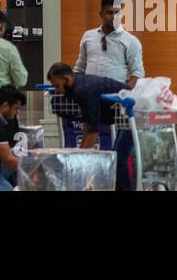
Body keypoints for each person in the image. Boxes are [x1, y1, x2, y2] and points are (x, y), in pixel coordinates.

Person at [46, 61, 132, 190]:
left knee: (119, 160)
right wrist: (80, 151)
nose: (58, 91)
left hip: (134, 115)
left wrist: (80, 156)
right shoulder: (78, 84)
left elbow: (94, 131)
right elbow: (88, 122)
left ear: (66, 79)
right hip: (125, 118)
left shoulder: (83, 89)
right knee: (118, 158)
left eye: (58, 86)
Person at [73, 0, 144, 89]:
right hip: (89, 92)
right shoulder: (88, 36)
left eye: (117, 12)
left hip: (115, 95)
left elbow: (137, 73)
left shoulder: (131, 41)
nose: (114, 17)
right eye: (109, 13)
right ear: (101, 14)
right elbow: (80, 68)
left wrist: (125, 94)